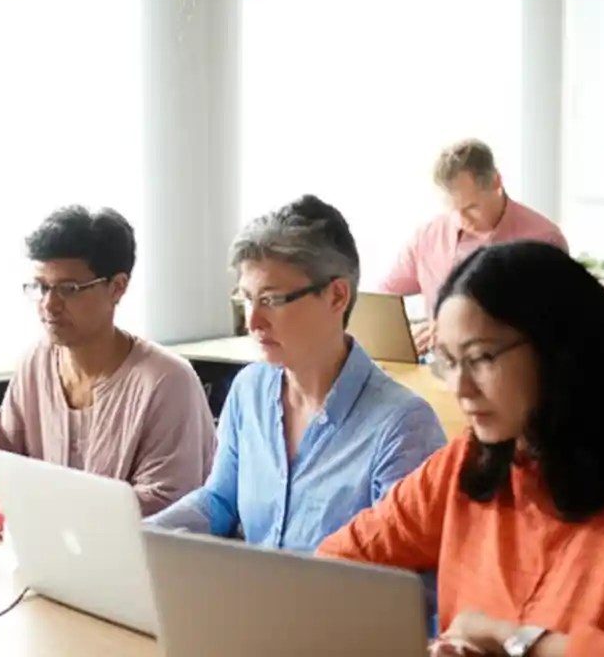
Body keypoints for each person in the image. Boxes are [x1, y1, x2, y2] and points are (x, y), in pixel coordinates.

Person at [318, 241, 604, 656]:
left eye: (482, 358)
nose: (461, 388)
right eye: (448, 361)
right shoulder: (467, 462)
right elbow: (334, 567)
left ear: (559, 351)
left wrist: (514, 640)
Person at [147, 195, 447, 552]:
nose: (253, 322)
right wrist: (140, 535)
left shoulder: (403, 426)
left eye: (271, 300)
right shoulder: (249, 389)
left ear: (337, 296)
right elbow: (220, 500)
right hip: (249, 587)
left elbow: (405, 574)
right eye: (247, 299)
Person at [0, 206, 215, 517]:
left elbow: (163, 506)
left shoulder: (167, 381)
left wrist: (30, 492)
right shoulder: (37, 360)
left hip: (136, 547)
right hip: (50, 539)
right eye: (40, 287)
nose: (49, 305)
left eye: (68, 289)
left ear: (117, 287)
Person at [382, 139, 567, 354]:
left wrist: (456, 329)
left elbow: (553, 325)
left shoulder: (543, 239)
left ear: (496, 182)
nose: (462, 220)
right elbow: (382, 298)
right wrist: (405, 336)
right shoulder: (428, 237)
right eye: (454, 210)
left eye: (471, 207)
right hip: (436, 366)